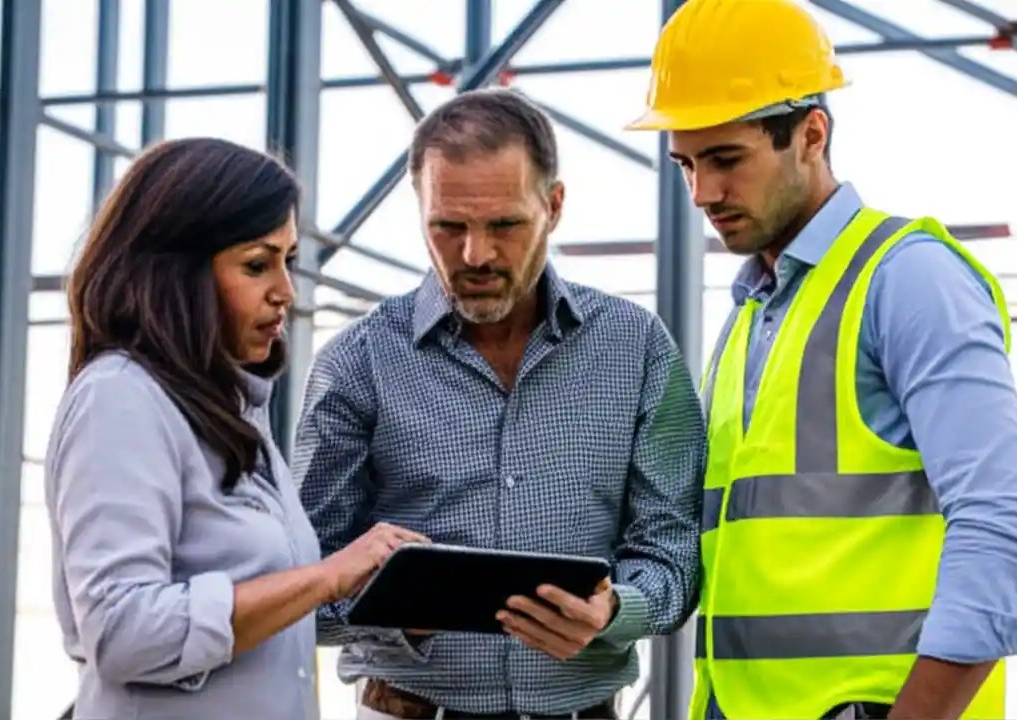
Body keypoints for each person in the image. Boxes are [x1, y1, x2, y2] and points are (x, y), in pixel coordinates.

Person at [623, 1, 1017, 719]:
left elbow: (1004, 524)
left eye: (727, 159)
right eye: (687, 164)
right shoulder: (750, 319)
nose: (704, 193)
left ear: (811, 134)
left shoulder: (907, 280)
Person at [291, 87, 707, 720]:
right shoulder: (358, 362)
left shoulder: (636, 347)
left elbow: (672, 554)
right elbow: (301, 586)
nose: (475, 255)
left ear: (554, 206)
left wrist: (614, 611)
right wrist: (395, 611)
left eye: (504, 225)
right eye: (448, 226)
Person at [43, 137, 426, 720]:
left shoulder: (232, 413)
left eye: (288, 260)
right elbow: (121, 631)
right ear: (178, 272)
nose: (285, 291)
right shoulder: (119, 398)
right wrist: (325, 578)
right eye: (257, 264)